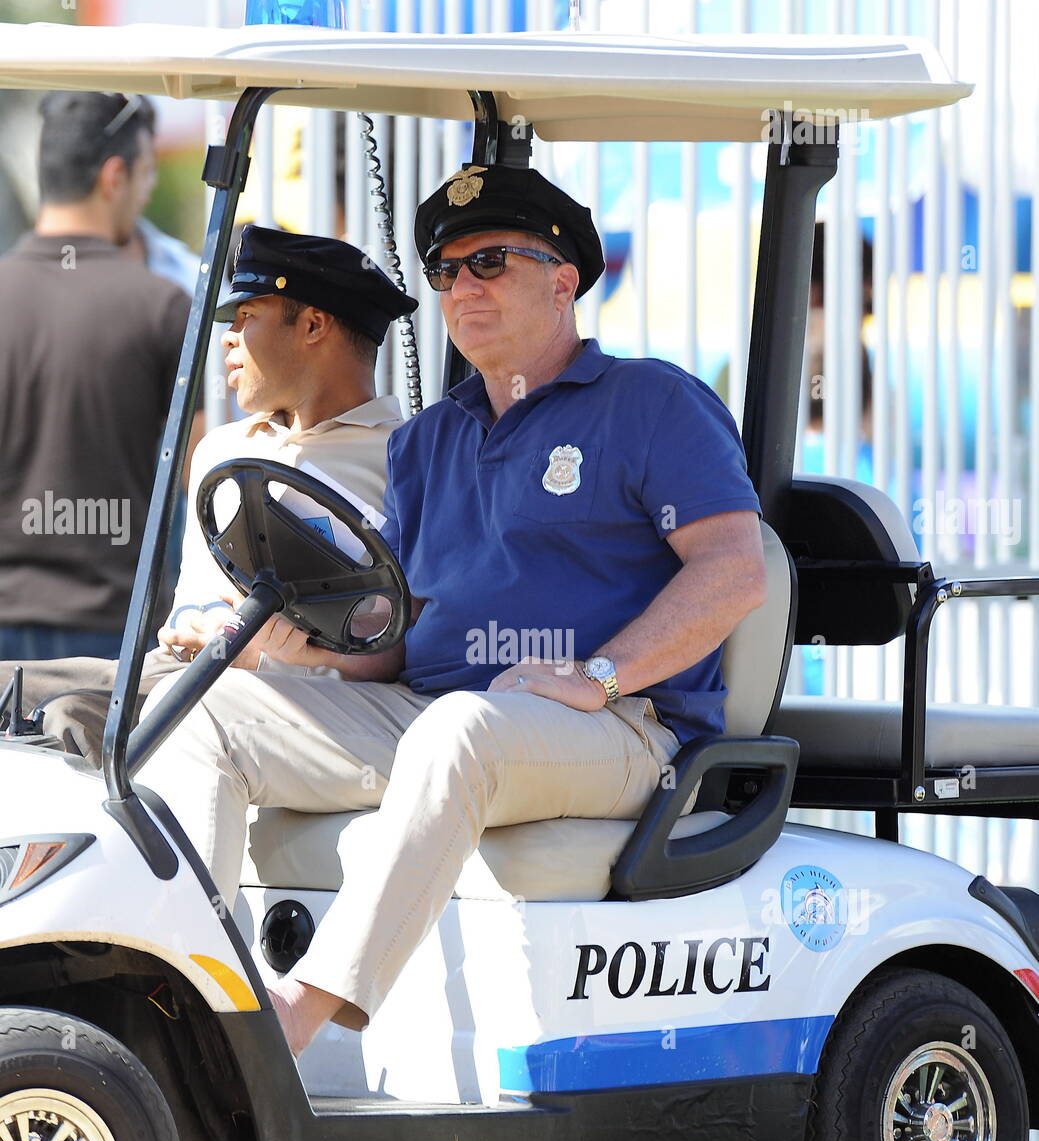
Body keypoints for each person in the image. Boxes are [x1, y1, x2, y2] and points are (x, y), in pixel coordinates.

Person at [136, 165, 766, 1060]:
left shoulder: (650, 402)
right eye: (445, 271)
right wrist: (289, 651)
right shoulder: (429, 439)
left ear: (563, 279)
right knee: (198, 713)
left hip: (616, 725)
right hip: (436, 713)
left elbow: (734, 570)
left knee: (458, 730)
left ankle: (288, 1028)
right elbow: (394, 645)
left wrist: (597, 675)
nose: (462, 287)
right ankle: (189, 999)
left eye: (491, 262)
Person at [0, 225, 415, 763]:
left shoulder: (408, 457)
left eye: (248, 319)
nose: (228, 337)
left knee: (71, 716)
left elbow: (400, 644)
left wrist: (267, 651)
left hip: (289, 696)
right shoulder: (221, 449)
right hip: (178, 667)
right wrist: (199, 625)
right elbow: (186, 611)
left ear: (313, 324)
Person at [0, 91, 203, 663]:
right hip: (109, 634)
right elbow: (200, 474)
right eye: (145, 175)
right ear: (115, 175)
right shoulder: (163, 305)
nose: (146, 192)